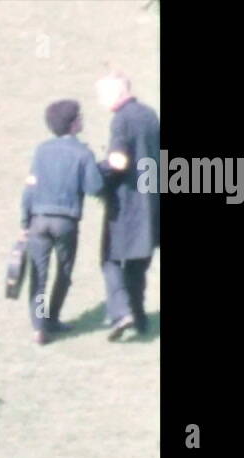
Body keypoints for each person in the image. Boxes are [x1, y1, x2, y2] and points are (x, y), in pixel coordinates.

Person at [20, 99, 105, 344]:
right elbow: (94, 187)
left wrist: (25, 222)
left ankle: (39, 327)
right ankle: (53, 318)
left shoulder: (41, 150)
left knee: (39, 276)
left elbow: (30, 188)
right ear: (73, 124)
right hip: (66, 222)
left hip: (38, 220)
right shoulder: (83, 153)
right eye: (80, 117)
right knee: (63, 273)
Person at [95, 71, 160, 340]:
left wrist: (93, 172)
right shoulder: (148, 113)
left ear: (117, 93)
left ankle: (122, 312)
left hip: (127, 205)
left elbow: (119, 162)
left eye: (102, 94)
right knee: (137, 265)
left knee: (110, 259)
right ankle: (140, 317)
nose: (100, 100)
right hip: (153, 203)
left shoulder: (121, 120)